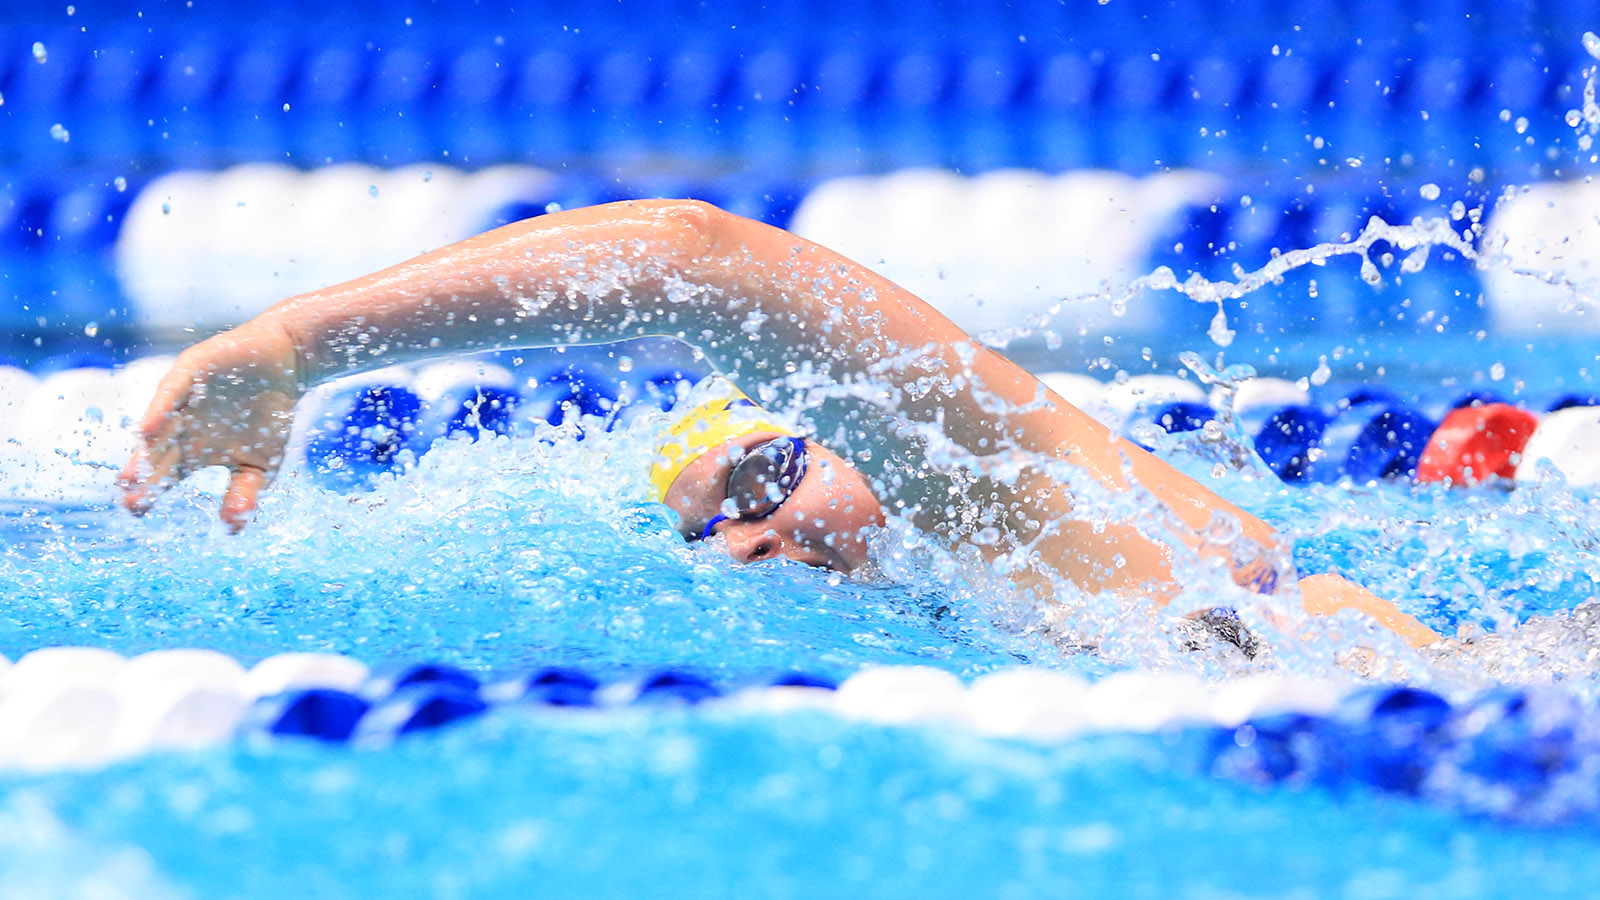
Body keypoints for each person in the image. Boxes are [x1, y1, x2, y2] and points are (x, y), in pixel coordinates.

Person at [118, 199, 1442, 649]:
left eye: (756, 482)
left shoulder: (1010, 489)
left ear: (853, 424)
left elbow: (697, 259)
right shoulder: (1013, 599)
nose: (744, 545)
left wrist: (296, 343)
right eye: (711, 537)